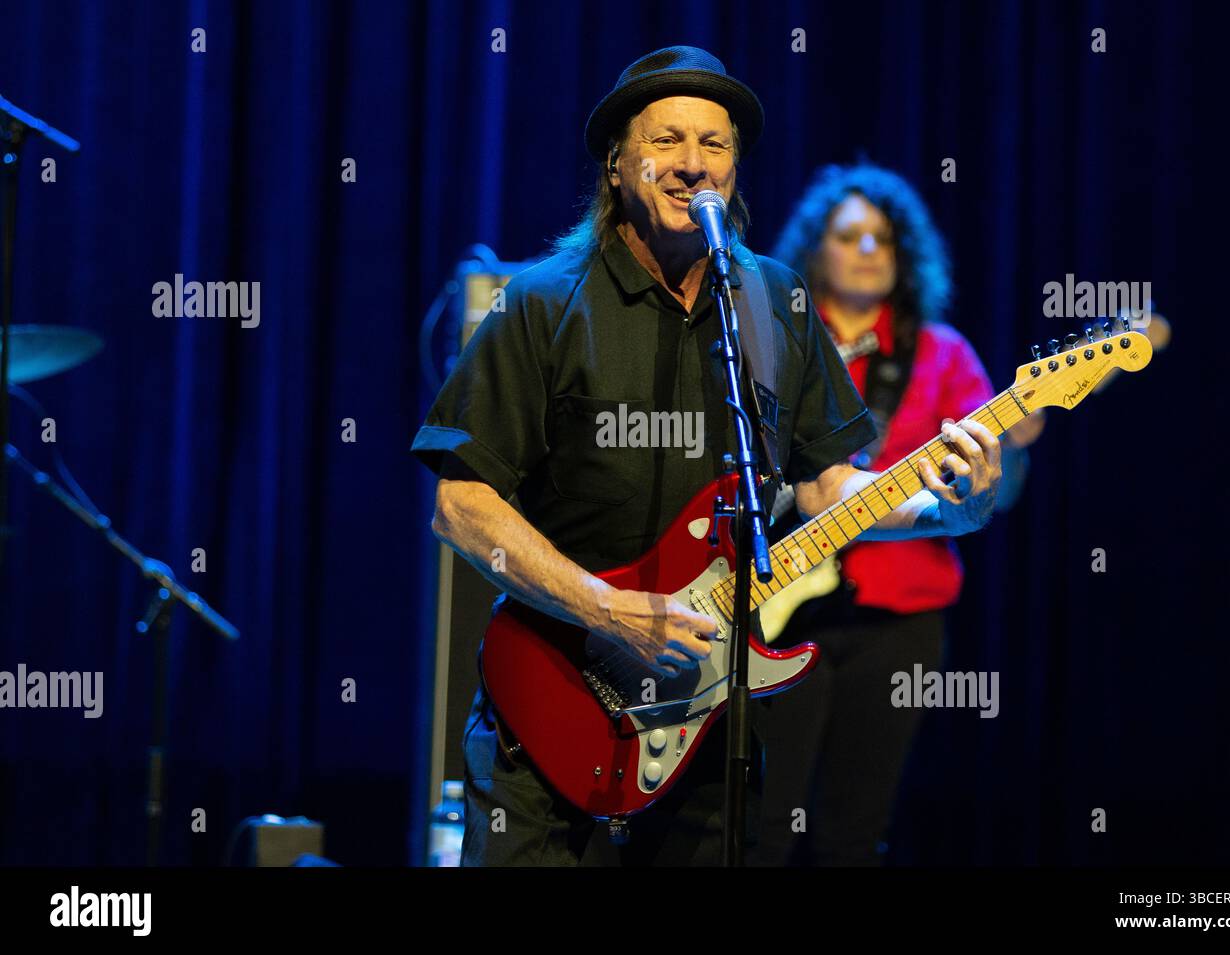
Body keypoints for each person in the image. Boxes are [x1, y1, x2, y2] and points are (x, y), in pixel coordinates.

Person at [410, 50, 1004, 866]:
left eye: (715, 145)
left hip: (711, 720)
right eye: (668, 140)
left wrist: (950, 509)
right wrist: (605, 609)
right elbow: (460, 505)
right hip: (555, 700)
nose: (693, 163)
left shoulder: (775, 304)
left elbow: (828, 486)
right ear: (617, 165)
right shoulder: (542, 304)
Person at [758, 162, 1042, 866]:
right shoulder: (777, 341)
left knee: (854, 832)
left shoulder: (943, 353)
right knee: (760, 828)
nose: (867, 249)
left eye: (883, 238)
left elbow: (997, 487)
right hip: (772, 608)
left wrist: (1007, 451)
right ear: (814, 249)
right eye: (848, 235)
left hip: (898, 618)